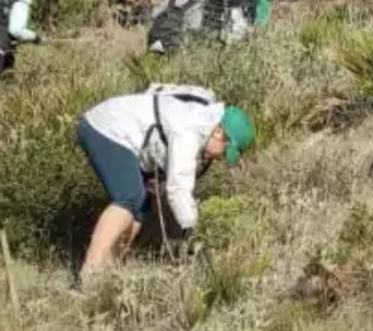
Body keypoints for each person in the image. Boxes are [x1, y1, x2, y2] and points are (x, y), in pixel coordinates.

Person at [75, 84, 255, 283]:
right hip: (106, 128)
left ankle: (111, 270)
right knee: (129, 197)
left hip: (125, 136)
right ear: (219, 133)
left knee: (140, 206)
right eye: (224, 152)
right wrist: (194, 234)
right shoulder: (188, 132)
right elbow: (178, 189)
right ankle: (89, 276)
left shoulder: (205, 116)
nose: (221, 158)